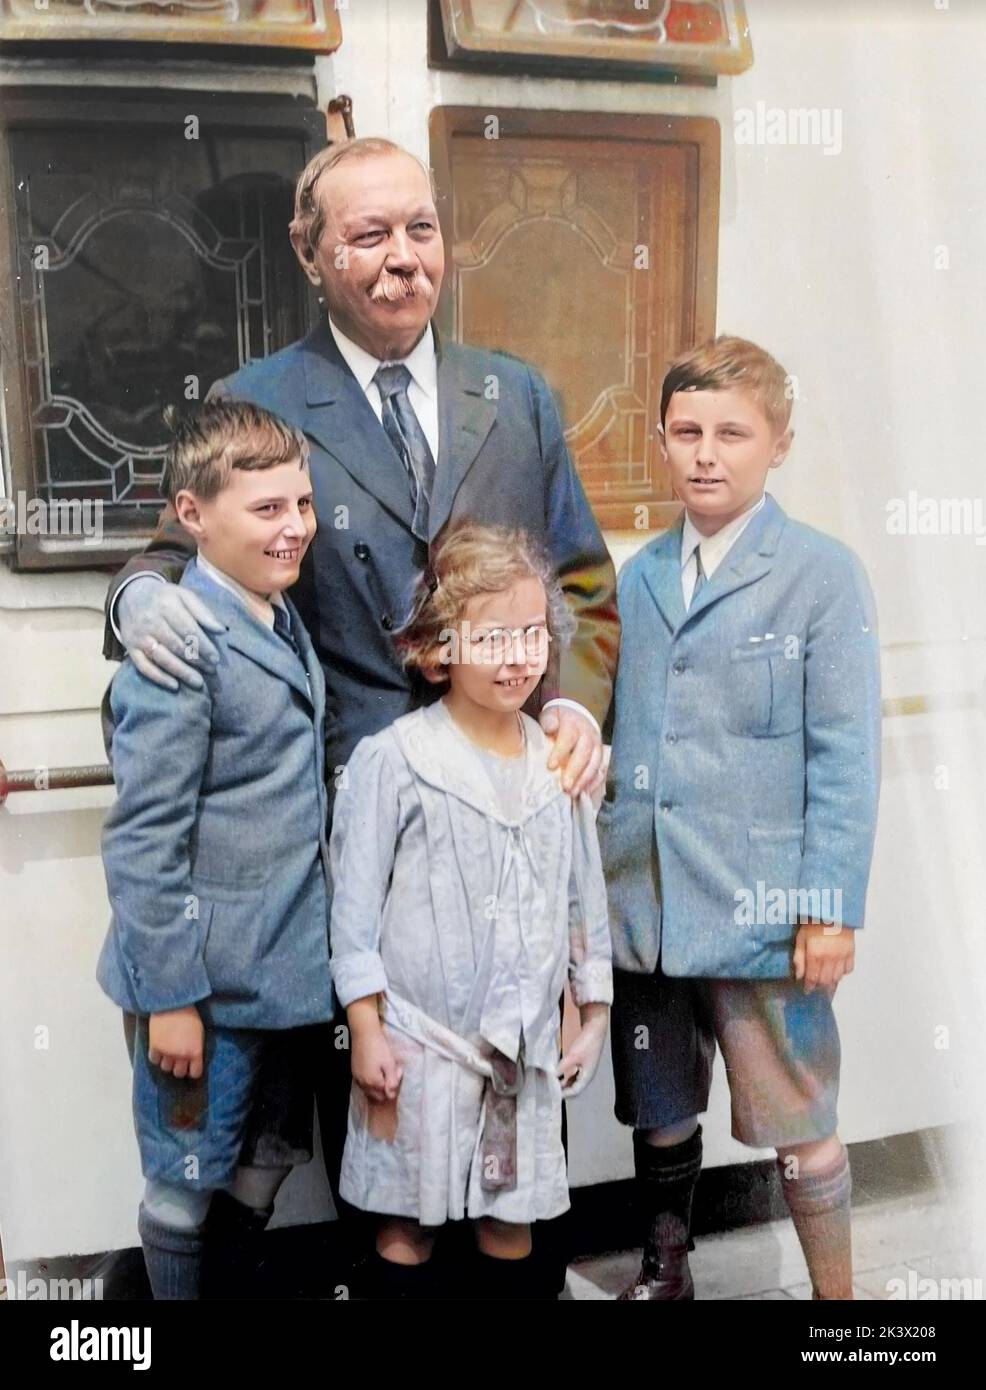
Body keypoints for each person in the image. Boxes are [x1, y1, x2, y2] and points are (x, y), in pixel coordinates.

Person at [99, 139, 620, 1282]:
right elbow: (167, 554)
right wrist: (138, 595)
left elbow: (579, 579)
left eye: (419, 230)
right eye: (367, 235)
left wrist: (576, 705)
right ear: (311, 252)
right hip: (351, 829)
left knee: (505, 1119)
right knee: (379, 1128)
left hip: (502, 814)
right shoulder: (259, 401)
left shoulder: (514, 394)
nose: (400, 261)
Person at [600, 335, 881, 1301]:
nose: (706, 453)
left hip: (767, 914)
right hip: (649, 904)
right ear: (663, 443)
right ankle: (665, 1267)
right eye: (686, 432)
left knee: (799, 1114)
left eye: (732, 432)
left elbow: (845, 755)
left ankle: (837, 1308)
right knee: (661, 1107)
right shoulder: (635, 580)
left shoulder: (821, 574)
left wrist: (831, 905)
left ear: (780, 444)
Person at [328, 521, 613, 1299]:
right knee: (405, 1220)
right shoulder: (395, 762)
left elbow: (582, 899)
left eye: (531, 634)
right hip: (415, 1047)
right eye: (491, 638)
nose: (517, 656)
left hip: (518, 1056)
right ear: (437, 647)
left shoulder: (554, 768)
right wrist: (365, 1031)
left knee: (509, 1216)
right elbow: (352, 917)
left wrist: (590, 1016)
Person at [96, 401, 334, 1299]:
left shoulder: (274, 612)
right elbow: (145, 843)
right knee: (183, 1182)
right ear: (193, 516)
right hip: (200, 988)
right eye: (267, 509)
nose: (295, 527)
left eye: (303, 503)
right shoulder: (180, 643)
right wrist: (171, 1001)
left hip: (279, 978)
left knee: (264, 1159)